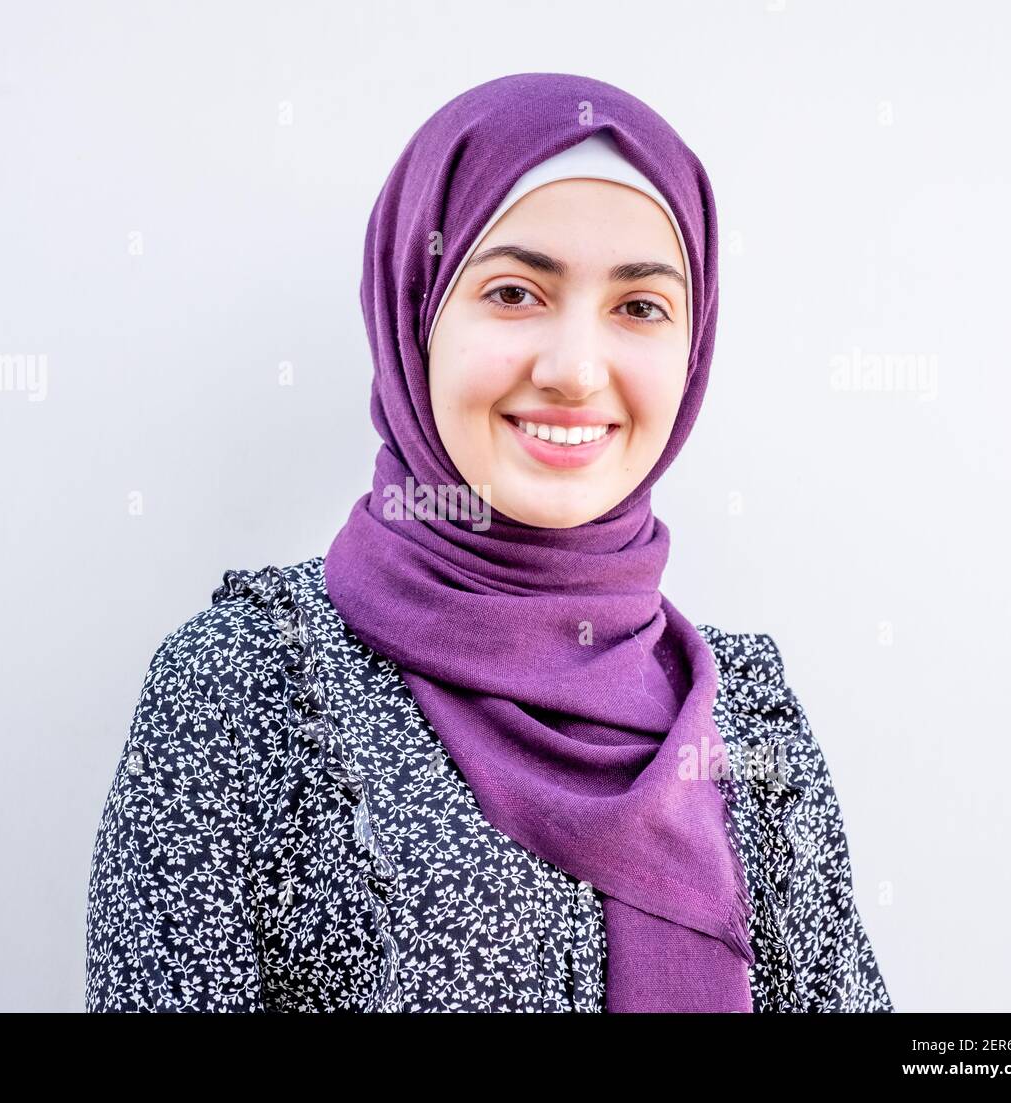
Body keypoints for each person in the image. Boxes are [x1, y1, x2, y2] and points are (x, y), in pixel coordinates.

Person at [84, 71, 894, 1013]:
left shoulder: (746, 720)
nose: (575, 370)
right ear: (414, 311)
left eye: (639, 307)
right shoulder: (251, 687)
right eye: (514, 292)